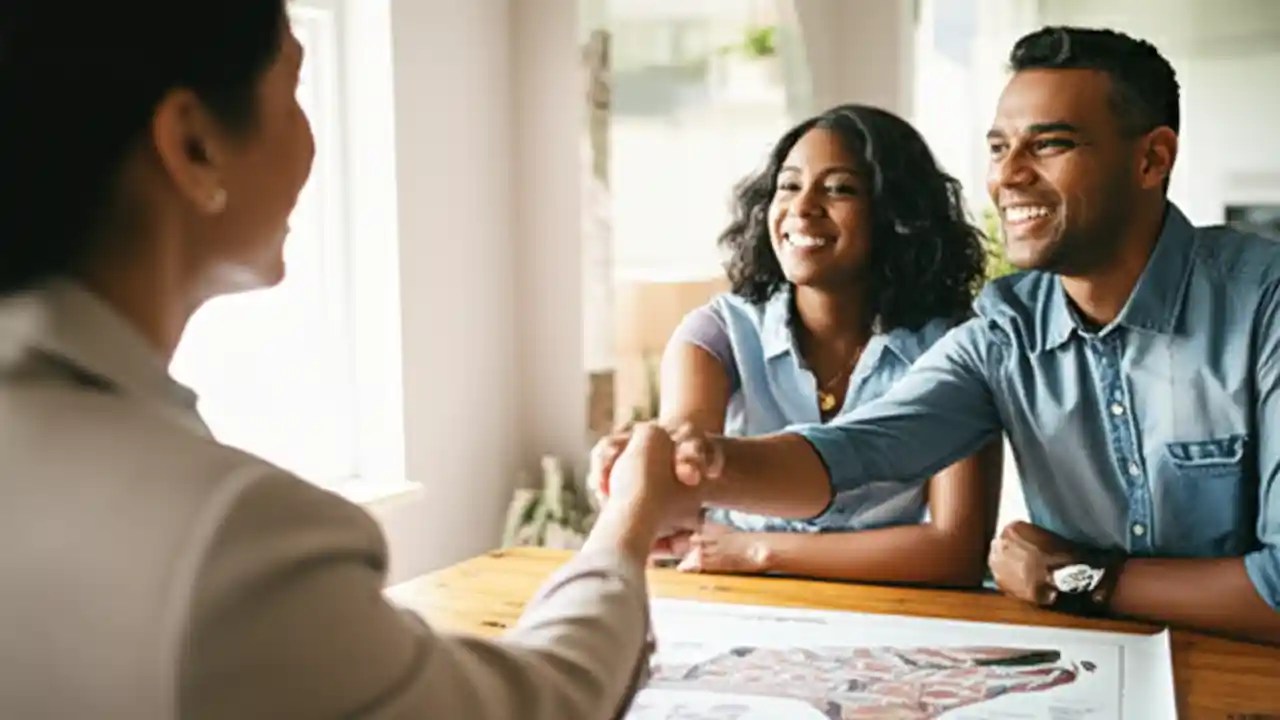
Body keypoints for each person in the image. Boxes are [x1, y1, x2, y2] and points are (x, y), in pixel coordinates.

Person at [0, 3, 700, 718]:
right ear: (194, 145)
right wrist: (629, 519)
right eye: (296, 88)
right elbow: (547, 705)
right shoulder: (232, 539)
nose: (313, 140)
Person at [604, 26, 1280, 644]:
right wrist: (708, 461)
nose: (1009, 175)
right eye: (998, 147)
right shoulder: (1004, 332)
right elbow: (851, 451)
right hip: (1096, 671)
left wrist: (1079, 578)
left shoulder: (1264, 305)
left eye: (1049, 143)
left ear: (1152, 159)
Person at [595, 105, 1002, 586]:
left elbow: (954, 551)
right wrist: (642, 463)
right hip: (732, 595)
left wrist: (756, 550)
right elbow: (686, 463)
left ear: (896, 216)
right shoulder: (716, 335)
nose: (803, 207)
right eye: (789, 185)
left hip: (894, 609)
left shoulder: (954, 349)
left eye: (839, 189)